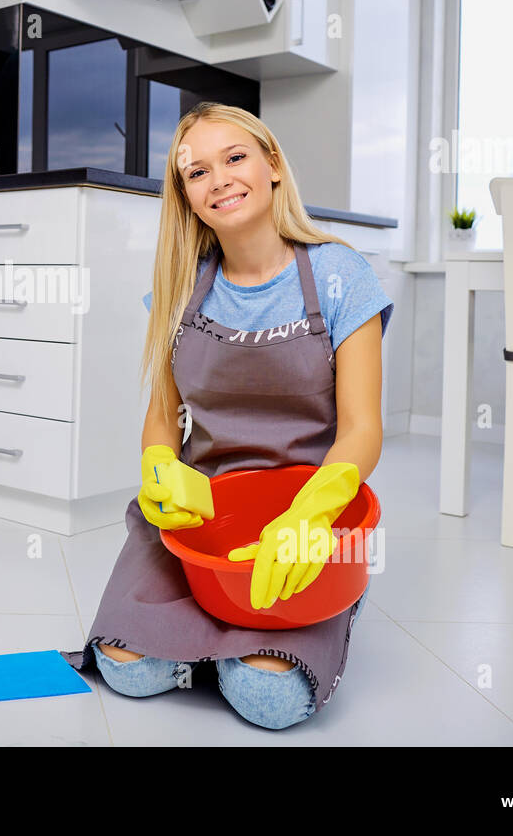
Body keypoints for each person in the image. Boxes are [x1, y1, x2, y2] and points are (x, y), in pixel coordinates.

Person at [60, 101, 394, 730]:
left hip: (305, 516)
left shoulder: (340, 275)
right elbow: (163, 415)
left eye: (235, 158)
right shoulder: (181, 287)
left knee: (270, 702)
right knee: (128, 671)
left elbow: (362, 430)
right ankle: (220, 644)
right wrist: (158, 464)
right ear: (185, 196)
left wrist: (312, 516)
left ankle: (240, 643)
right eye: (197, 172)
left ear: (271, 165)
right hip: (204, 522)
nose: (219, 180)